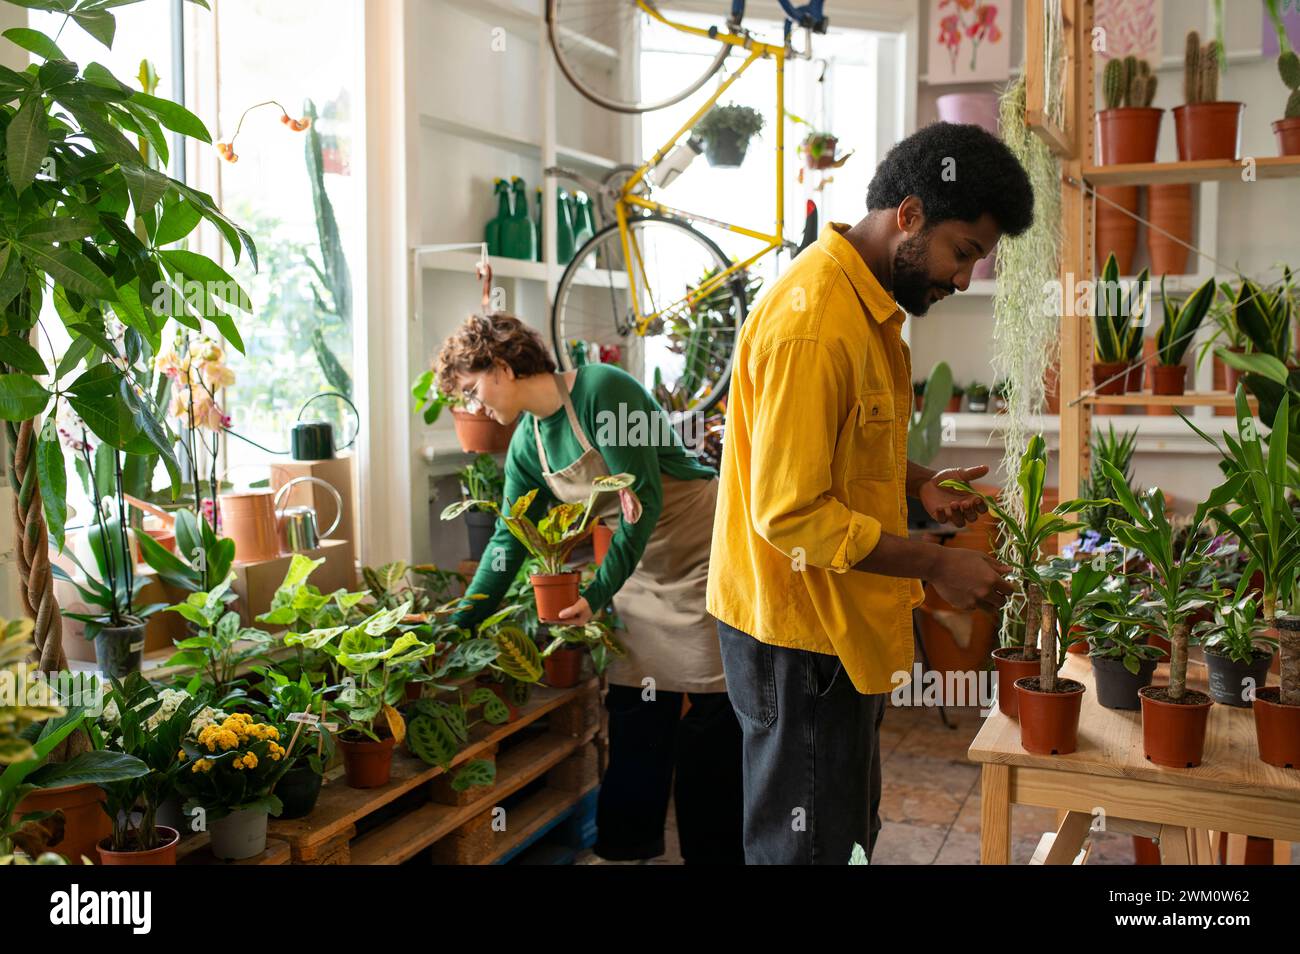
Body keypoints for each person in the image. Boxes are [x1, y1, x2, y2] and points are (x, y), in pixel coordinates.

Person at [708, 122, 1035, 864]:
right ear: (910, 215)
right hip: (798, 635)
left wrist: (922, 485)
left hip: (836, 627)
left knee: (844, 836)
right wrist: (936, 564)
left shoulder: (869, 309)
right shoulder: (816, 324)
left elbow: (842, 450)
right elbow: (791, 513)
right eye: (964, 254)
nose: (963, 279)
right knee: (809, 850)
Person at [435, 314, 742, 864]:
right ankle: (627, 849)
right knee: (634, 704)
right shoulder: (528, 443)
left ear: (503, 367)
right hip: (639, 563)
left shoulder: (605, 390)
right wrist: (459, 622)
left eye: (473, 389)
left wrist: (596, 594)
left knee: (712, 716)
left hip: (701, 549)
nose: (473, 406)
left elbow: (638, 502)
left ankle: (715, 854)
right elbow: (509, 537)